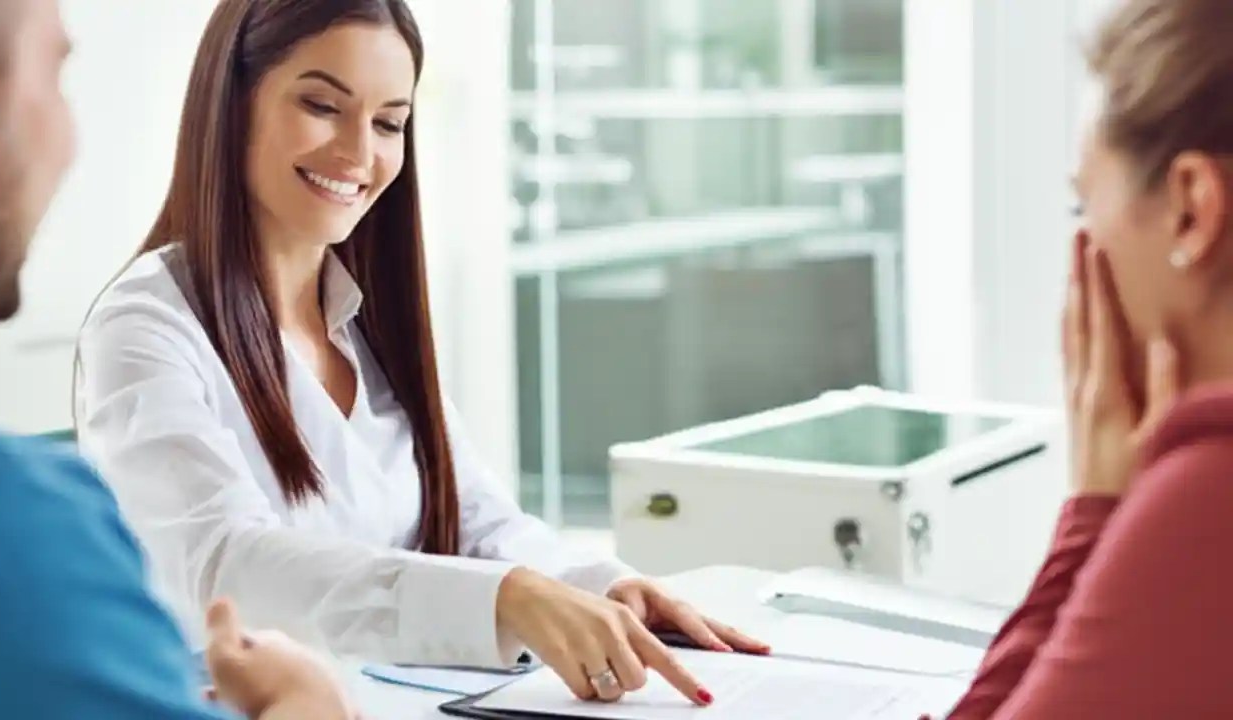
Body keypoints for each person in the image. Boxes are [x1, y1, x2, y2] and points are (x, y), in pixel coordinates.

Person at [74, 0, 766, 706]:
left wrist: (600, 587)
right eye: (321, 105)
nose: (358, 153)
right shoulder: (144, 326)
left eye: (388, 123)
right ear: (233, 101)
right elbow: (228, 563)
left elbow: (476, 520)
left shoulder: (365, 320)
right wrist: (505, 600)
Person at [0, 0, 358, 717]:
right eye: (52, 74)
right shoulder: (0, 532)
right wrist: (305, 707)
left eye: (392, 121)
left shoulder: (357, 323)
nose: (70, 142)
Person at [948, 0, 1233, 716]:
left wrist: (1097, 512)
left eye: (1084, 206)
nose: (1083, 244)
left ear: (1192, 209)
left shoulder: (1211, 488)